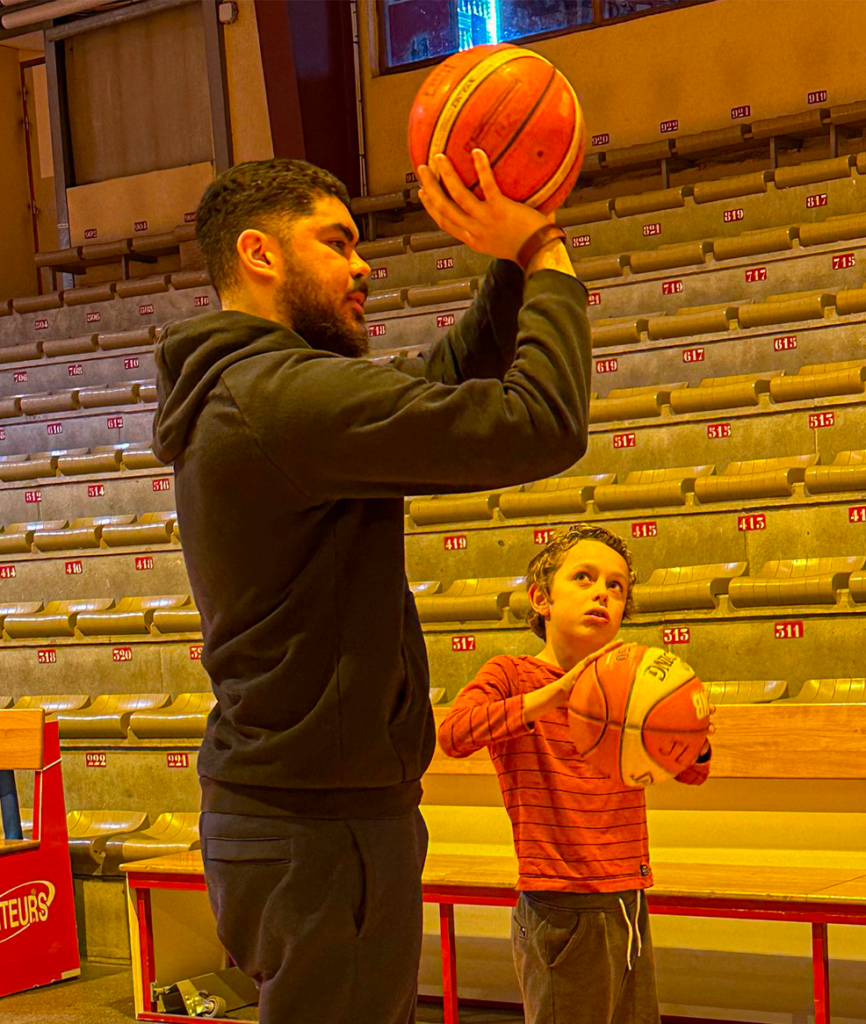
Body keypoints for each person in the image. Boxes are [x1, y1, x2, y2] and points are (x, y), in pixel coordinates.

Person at [151, 150, 592, 1024]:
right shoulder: (278, 397)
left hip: (311, 817)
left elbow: (442, 381)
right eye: (338, 243)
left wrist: (505, 261)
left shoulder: (265, 391)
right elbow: (541, 423)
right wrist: (543, 253)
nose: (363, 267)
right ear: (260, 254)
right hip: (314, 830)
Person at [438, 524, 713, 1024]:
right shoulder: (511, 675)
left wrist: (685, 729)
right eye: (584, 578)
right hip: (559, 904)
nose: (602, 593)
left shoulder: (630, 680)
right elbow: (453, 735)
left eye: (616, 586)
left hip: (629, 896)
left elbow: (697, 773)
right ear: (541, 599)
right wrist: (554, 696)